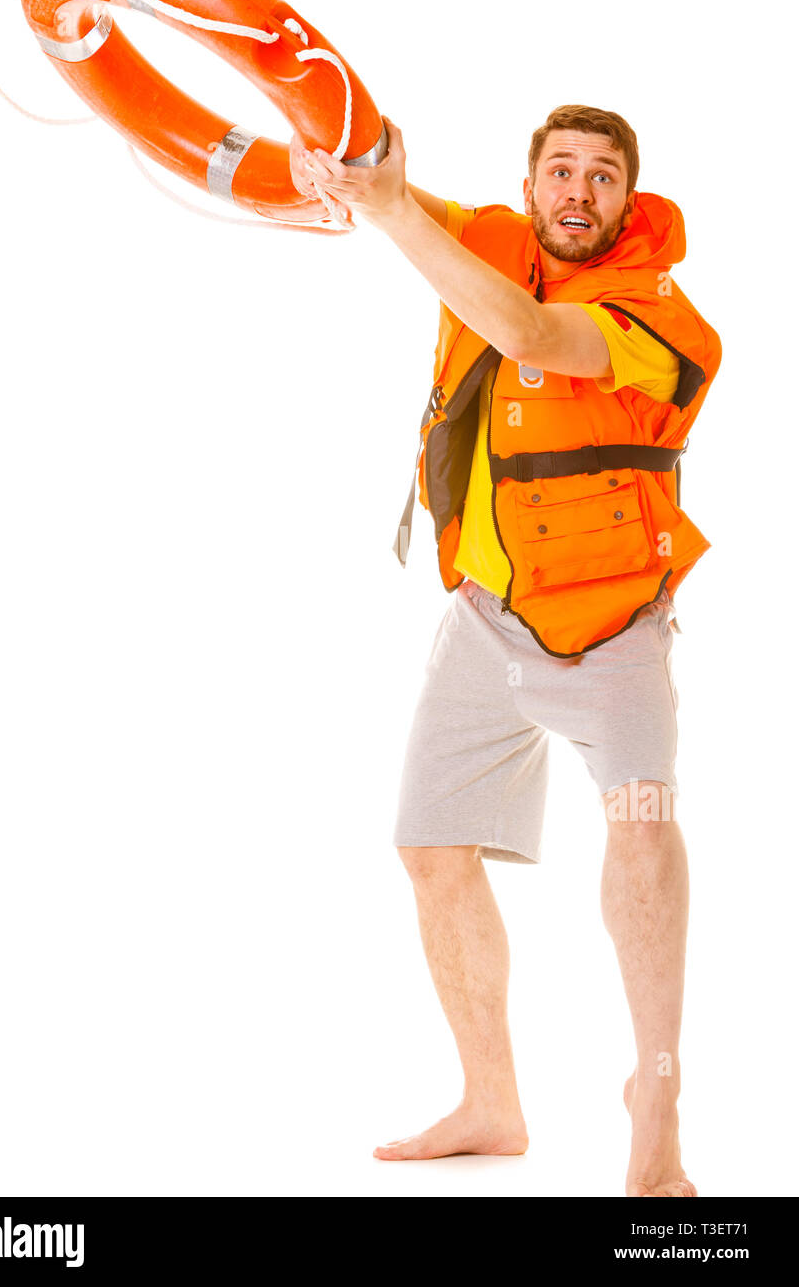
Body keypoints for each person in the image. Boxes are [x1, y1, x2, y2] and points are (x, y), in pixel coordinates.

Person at [289, 105, 721, 1197]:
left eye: (603, 176)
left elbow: (534, 338)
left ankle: (655, 1101)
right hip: (486, 617)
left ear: (628, 201)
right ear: (530, 186)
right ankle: (491, 1102)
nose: (577, 191)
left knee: (637, 834)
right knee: (430, 849)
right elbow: (378, 202)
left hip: (612, 634)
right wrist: (338, 174)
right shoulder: (486, 240)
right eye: (560, 171)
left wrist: (390, 212)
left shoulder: (661, 319)